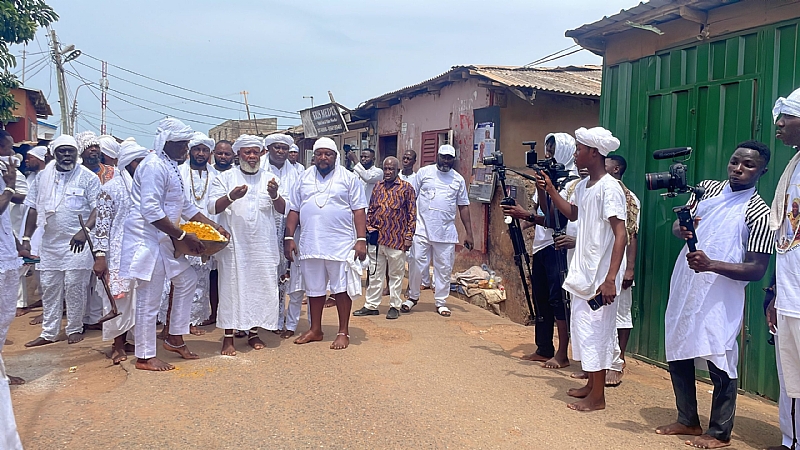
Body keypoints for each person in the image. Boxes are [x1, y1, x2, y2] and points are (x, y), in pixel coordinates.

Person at [655, 140, 772, 448]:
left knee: (719, 352)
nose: (739, 169)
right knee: (678, 344)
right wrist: (682, 231)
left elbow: (757, 269)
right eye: (735, 161)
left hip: (721, 292)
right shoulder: (706, 190)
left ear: (762, 171)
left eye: (748, 165)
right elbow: (681, 229)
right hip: (687, 280)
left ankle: (719, 431)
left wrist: (712, 265)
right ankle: (688, 420)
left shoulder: (759, 213)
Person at [120, 118, 228, 372]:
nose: (186, 149)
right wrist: (182, 237)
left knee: (187, 279)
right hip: (148, 240)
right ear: (167, 143)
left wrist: (213, 227)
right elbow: (150, 210)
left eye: (186, 144)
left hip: (165, 240)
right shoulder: (153, 166)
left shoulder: (170, 166)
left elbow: (186, 207)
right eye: (182, 144)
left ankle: (174, 337)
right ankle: (145, 357)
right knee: (149, 298)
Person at [537, 126, 626, 412]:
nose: (576, 155)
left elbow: (621, 234)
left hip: (601, 274)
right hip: (584, 270)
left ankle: (597, 397)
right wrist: (550, 190)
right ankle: (591, 385)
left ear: (595, 153)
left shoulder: (610, 188)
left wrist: (611, 279)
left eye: (580, 150)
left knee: (597, 331)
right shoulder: (584, 186)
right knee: (584, 329)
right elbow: (573, 213)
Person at [284, 137, 367, 350]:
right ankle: (316, 329)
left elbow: (359, 210)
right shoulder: (303, 178)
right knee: (314, 288)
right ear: (314, 157)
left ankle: (343, 331)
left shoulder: (349, 178)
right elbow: (294, 209)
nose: (323, 158)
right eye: (319, 154)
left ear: (335, 157)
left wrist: (361, 239)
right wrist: (289, 237)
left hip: (340, 243)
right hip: (311, 242)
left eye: (327, 154)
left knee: (341, 288)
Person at [503, 133, 576, 369]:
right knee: (541, 298)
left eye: (552, 152)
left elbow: (555, 218)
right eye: (546, 151)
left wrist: (528, 213)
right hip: (541, 245)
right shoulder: (547, 180)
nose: (548, 156)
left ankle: (563, 353)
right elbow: (540, 209)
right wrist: (520, 220)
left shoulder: (572, 183)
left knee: (558, 301)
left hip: (558, 245)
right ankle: (544, 348)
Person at [22, 135, 102, 347]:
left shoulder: (87, 178)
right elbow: (32, 207)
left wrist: (84, 232)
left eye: (70, 151)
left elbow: (98, 208)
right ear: (54, 153)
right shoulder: (42, 177)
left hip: (78, 243)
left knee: (75, 285)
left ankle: (75, 328)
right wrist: (26, 238)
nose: (67, 155)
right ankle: (48, 332)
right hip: (50, 243)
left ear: (77, 153)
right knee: (49, 286)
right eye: (62, 151)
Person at [209, 135, 284, 355]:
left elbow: (282, 208)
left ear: (261, 154)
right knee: (231, 287)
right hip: (235, 246)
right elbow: (213, 208)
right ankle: (228, 337)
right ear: (238, 154)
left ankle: (253, 333)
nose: (251, 156)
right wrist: (231, 197)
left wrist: (274, 194)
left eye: (255, 152)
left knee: (259, 287)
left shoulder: (270, 178)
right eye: (246, 152)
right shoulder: (225, 178)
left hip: (262, 246)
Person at [92, 140, 149, 364]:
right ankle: (117, 345)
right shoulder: (110, 189)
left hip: (144, 249)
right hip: (118, 252)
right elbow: (102, 227)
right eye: (139, 162)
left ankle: (137, 341)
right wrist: (100, 256)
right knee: (119, 299)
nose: (143, 167)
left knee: (141, 297)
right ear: (128, 163)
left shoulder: (148, 188)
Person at [403, 144, 474, 317]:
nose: (446, 160)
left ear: (453, 160)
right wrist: (407, 225)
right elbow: (412, 199)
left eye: (449, 158)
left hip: (445, 231)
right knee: (415, 263)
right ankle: (412, 297)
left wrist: (469, 233)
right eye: (443, 156)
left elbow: (463, 206)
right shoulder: (424, 173)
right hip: (421, 229)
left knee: (444, 267)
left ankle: (441, 301)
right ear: (437, 156)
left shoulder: (458, 180)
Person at [768, 87, 800, 450]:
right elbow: (786, 239)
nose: (778, 124)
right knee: (790, 378)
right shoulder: (792, 166)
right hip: (791, 295)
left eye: (787, 116)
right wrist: (773, 293)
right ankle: (791, 441)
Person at [353, 156, 416, 319]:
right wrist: (368, 228)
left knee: (396, 274)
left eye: (391, 169)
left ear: (397, 170)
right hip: (376, 239)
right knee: (374, 273)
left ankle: (394, 305)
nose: (388, 172)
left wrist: (409, 237)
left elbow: (412, 215)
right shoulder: (378, 187)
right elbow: (372, 209)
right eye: (386, 169)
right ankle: (371, 305)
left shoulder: (406, 188)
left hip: (396, 239)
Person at [604, 154, 640, 387]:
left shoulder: (629, 198)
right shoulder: (599, 191)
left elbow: (632, 233)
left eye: (605, 164)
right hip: (600, 265)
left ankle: (618, 361)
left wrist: (630, 268)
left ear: (616, 169)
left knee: (621, 314)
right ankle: (599, 364)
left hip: (619, 267)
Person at [262, 133, 304, 335]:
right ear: (269, 149)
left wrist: (289, 236)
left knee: (281, 276)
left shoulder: (296, 173)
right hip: (262, 228)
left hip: (287, 229)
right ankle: (254, 320)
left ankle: (277, 319)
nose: (280, 152)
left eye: (284, 148)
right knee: (261, 275)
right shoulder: (259, 169)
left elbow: (295, 205)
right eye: (276, 148)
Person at [77, 130, 117, 329]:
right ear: (81, 152)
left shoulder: (111, 172)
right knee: (84, 277)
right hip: (81, 229)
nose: (93, 150)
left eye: (96, 147)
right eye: (89, 147)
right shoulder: (76, 172)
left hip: (107, 229)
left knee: (104, 274)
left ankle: (102, 316)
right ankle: (85, 317)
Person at [179, 132, 218, 334]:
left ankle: (194, 320)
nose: (201, 153)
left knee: (201, 278)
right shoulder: (179, 172)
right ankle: (174, 322)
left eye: (204, 150)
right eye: (197, 149)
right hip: (182, 233)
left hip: (208, 233)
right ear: (190, 151)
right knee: (179, 279)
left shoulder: (216, 175)